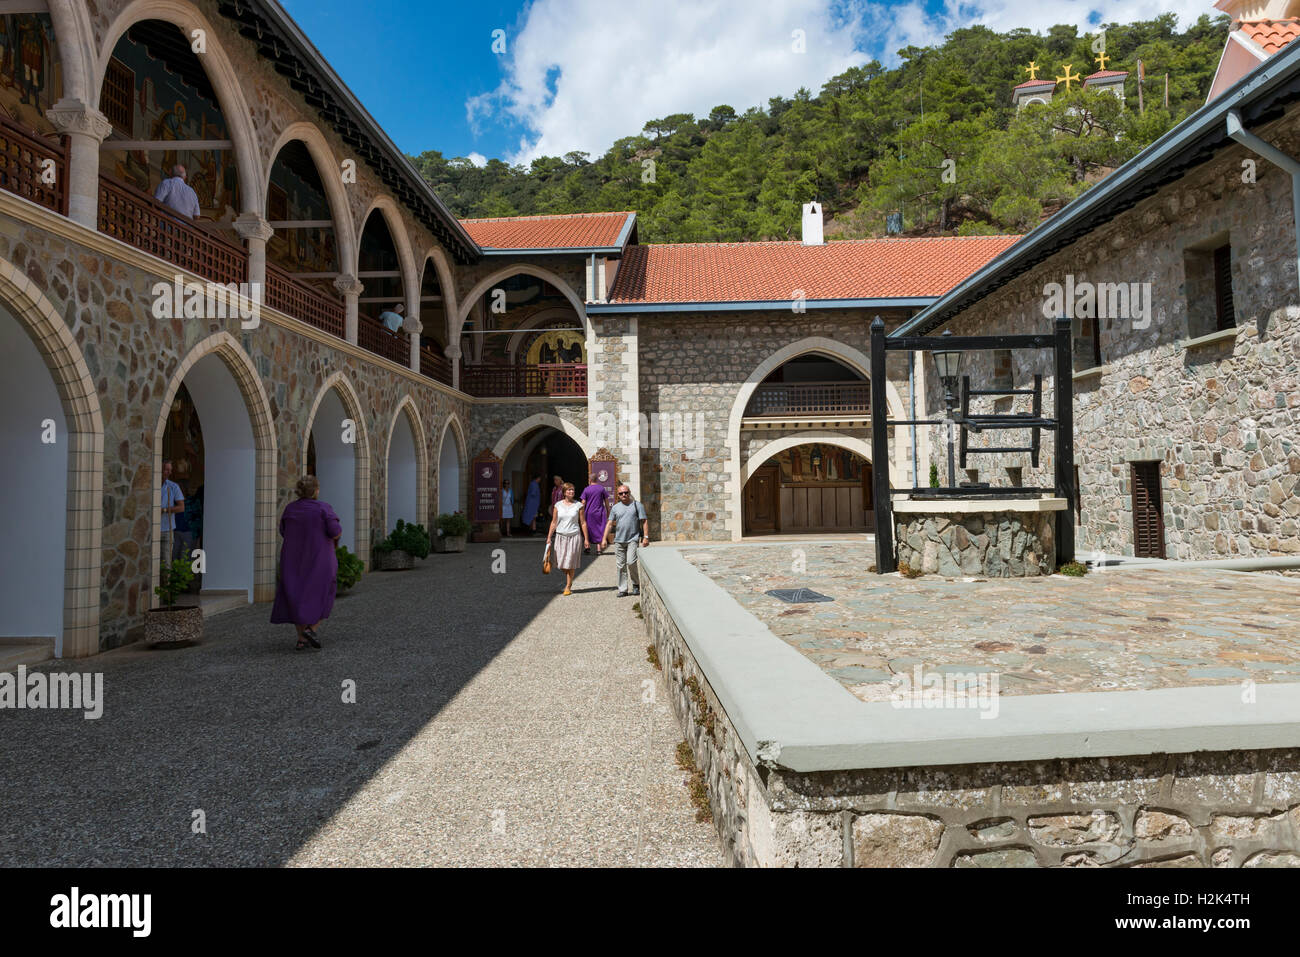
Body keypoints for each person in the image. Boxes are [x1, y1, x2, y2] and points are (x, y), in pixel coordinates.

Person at [270, 475, 342, 651]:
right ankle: (311, 629)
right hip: (320, 558)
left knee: (295, 594)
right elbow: (335, 532)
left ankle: (301, 638)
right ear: (316, 491)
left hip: (293, 558)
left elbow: (284, 531)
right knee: (324, 592)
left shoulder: (290, 509)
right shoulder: (324, 508)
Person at [600, 484, 649, 597]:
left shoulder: (637, 505)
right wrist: (604, 539)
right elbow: (609, 523)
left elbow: (644, 521)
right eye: (621, 493)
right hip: (619, 541)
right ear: (618, 495)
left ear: (629, 492)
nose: (624, 495)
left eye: (626, 492)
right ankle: (623, 589)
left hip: (633, 539)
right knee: (620, 565)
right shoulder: (615, 508)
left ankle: (635, 584)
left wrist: (646, 537)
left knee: (631, 562)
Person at [546, 482, 589, 597]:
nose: (571, 492)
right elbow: (554, 522)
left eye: (573, 490)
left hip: (574, 536)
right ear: (564, 492)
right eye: (569, 490)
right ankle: (568, 577)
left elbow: (583, 523)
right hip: (560, 536)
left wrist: (586, 539)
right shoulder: (557, 505)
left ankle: (568, 586)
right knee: (560, 562)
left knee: (570, 562)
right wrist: (549, 537)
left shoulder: (578, 505)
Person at [160, 461, 185, 571]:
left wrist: (165, 510)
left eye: (170, 470)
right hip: (151, 529)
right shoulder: (150, 485)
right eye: (166, 470)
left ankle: (166, 587)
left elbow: (181, 507)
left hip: (166, 528)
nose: (169, 472)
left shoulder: (173, 486)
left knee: (166, 563)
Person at [580, 475, 610, 556]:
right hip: (599, 512)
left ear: (589, 479)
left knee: (588, 529)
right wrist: (608, 511)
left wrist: (580, 513)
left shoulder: (586, 489)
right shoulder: (601, 488)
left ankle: (587, 548)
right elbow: (607, 501)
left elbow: (583, 503)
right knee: (600, 529)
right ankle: (598, 549)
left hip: (589, 513)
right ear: (597, 480)